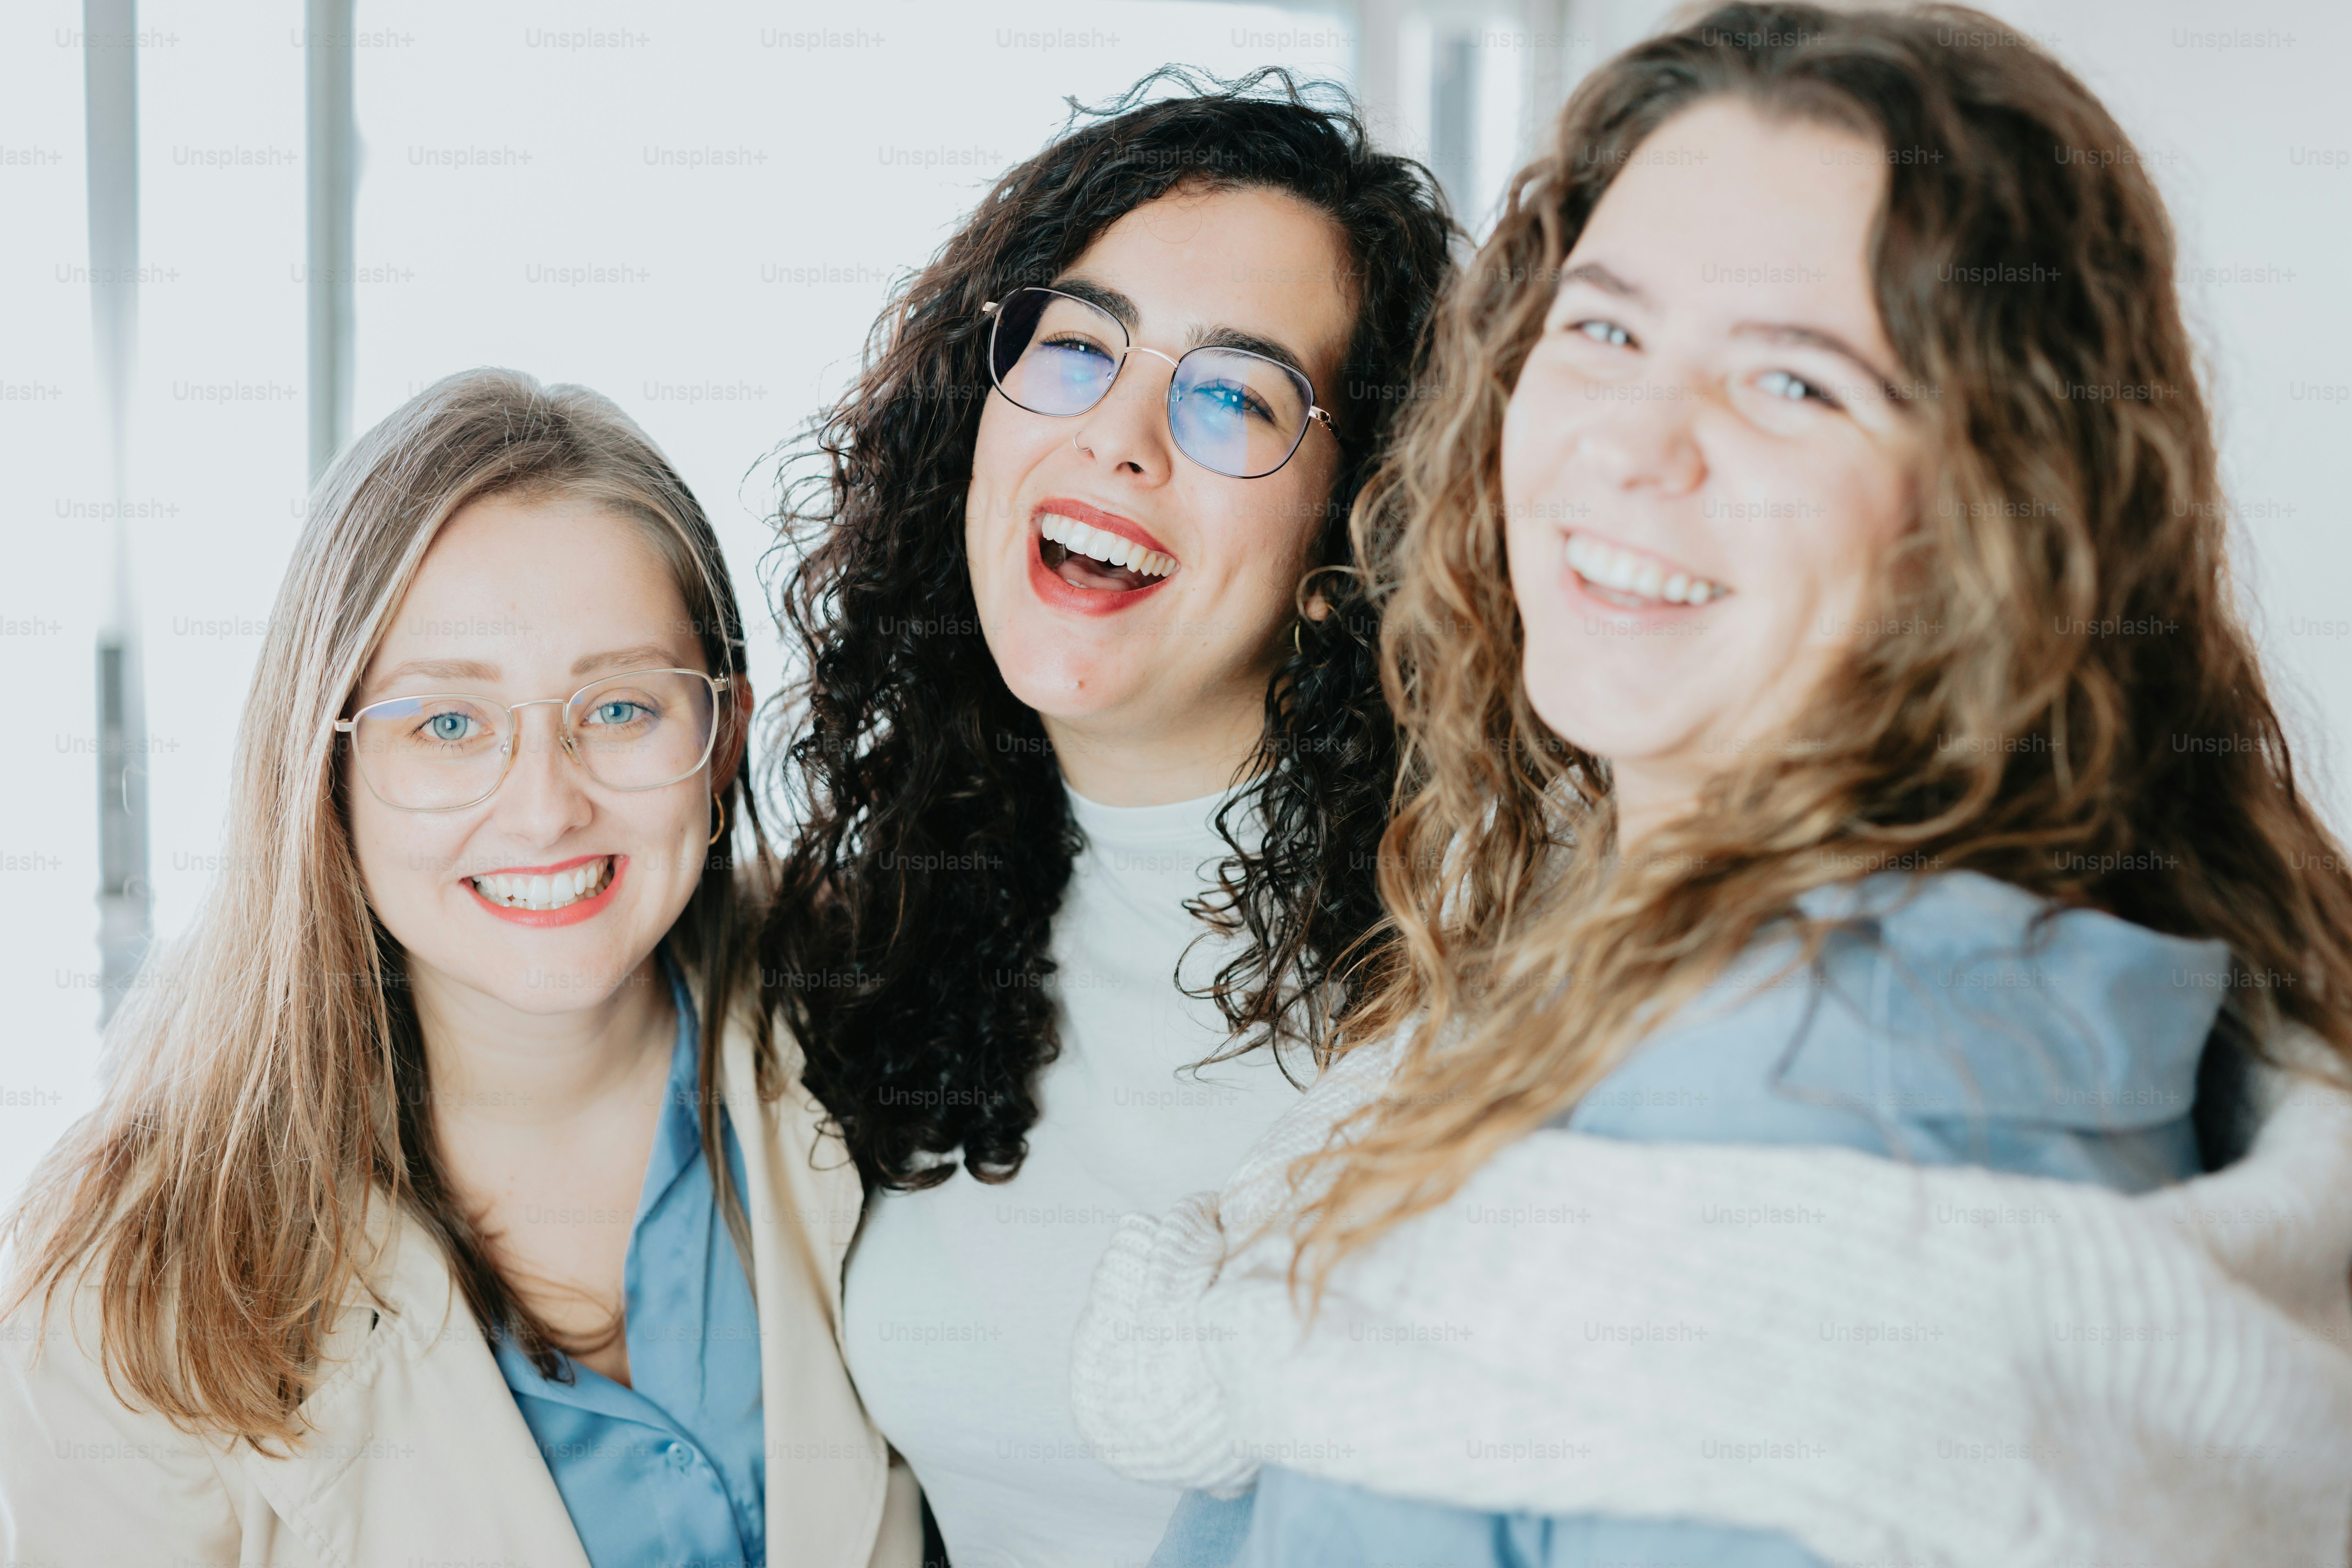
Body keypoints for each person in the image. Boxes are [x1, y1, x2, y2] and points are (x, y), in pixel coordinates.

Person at [1070, 7, 2352, 1565]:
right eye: (1605, 330)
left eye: (1794, 383)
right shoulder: (1753, 985)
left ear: (1999, 513)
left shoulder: (1820, 1187)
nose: (1633, 446)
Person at [1, 371, 918, 1568]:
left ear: (723, 736)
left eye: (625, 708)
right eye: (447, 723)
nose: (545, 810)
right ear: (320, 769)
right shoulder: (128, 1282)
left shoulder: (896, 1015)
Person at [761, 70, 1454, 1566]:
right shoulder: (878, 926)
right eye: (1077, 347)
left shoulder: (1483, 976)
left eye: (1235, 396)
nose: (1120, 442)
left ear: (1361, 514)